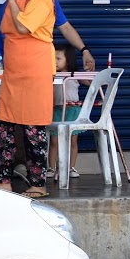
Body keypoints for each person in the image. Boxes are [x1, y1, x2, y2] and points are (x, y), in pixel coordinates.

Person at [0, 0, 56, 198]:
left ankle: (38, 183)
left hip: (34, 69)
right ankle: (4, 179)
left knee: (33, 127)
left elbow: (22, 26)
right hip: (14, 68)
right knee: (5, 124)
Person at [49, 45, 83, 178]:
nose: (55, 61)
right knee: (54, 141)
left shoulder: (75, 75)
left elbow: (91, 81)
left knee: (73, 141)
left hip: (72, 111)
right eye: (53, 58)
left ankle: (71, 168)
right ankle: (51, 168)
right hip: (57, 110)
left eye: (58, 58)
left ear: (68, 60)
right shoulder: (52, 75)